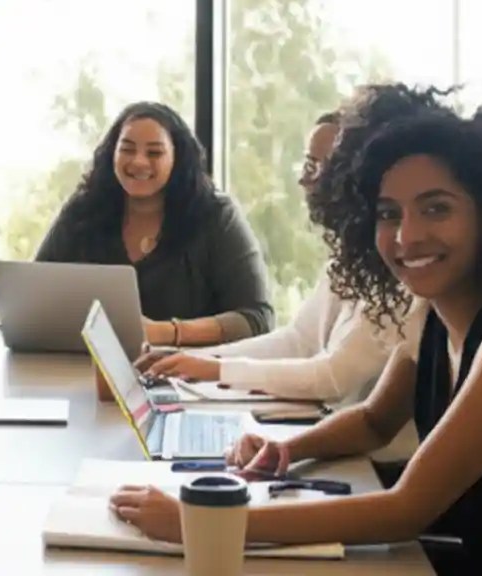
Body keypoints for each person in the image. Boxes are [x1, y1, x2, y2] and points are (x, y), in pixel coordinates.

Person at [108, 84, 482, 569]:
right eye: (389, 214)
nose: (406, 236)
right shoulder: (437, 311)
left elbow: (404, 510)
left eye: (436, 209)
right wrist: (287, 451)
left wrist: (199, 521)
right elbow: (371, 422)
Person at [134, 110, 403, 405]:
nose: (303, 179)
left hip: (371, 451)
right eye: (306, 164)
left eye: (315, 166)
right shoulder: (346, 263)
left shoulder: (395, 270)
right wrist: (187, 360)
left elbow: (332, 378)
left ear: (355, 176)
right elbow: (298, 341)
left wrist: (215, 368)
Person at [36, 101, 273, 348]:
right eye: (127, 149)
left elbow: (257, 319)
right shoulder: (83, 209)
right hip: (84, 371)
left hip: (192, 378)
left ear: (177, 159)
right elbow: (33, 294)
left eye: (154, 153)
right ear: (111, 153)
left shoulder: (216, 215)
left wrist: (168, 332)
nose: (138, 162)